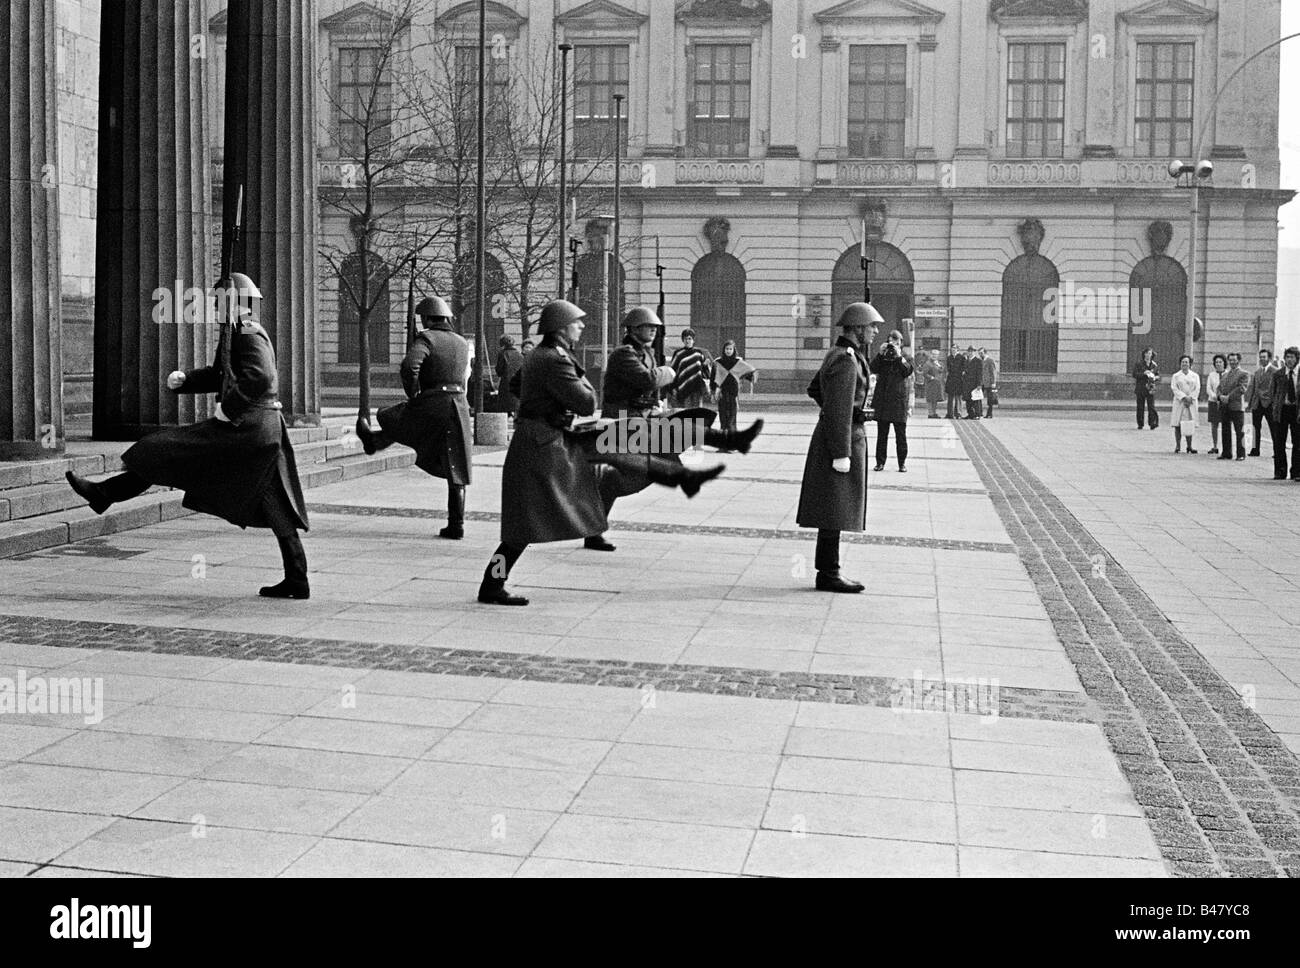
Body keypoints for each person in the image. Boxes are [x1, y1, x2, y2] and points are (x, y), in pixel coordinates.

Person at [66, 273, 311, 598]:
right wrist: (188, 380)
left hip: (246, 427)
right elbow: (222, 375)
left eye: (218, 301)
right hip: (260, 431)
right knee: (275, 503)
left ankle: (104, 493)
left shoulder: (247, 332)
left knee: (161, 448)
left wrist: (231, 409)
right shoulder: (236, 331)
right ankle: (297, 578)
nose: (214, 307)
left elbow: (260, 376)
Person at [477, 300, 725, 606]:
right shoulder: (554, 359)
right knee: (525, 520)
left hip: (541, 437)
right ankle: (492, 585)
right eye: (577, 322)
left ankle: (494, 582)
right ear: (561, 327)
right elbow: (585, 401)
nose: (582, 326)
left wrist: (544, 401)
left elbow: (517, 386)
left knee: (527, 518)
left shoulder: (539, 355)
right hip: (543, 442)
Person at [584, 307, 763, 552]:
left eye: (655, 328)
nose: (653, 331)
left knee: (632, 473)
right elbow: (647, 380)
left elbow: (649, 385)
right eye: (649, 327)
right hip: (622, 421)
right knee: (665, 452)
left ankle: (595, 528)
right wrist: (666, 372)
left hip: (639, 417)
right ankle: (728, 441)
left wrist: (656, 398)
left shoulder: (644, 353)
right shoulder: (624, 355)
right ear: (634, 329)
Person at [356, 295, 472, 539]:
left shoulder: (427, 338)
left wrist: (414, 392)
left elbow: (410, 366)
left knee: (390, 417)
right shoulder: (462, 342)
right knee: (457, 468)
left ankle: (374, 442)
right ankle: (456, 525)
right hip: (458, 406)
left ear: (429, 318)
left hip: (432, 403)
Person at [797, 302, 881, 594]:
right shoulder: (846, 360)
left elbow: (815, 390)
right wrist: (841, 450)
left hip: (837, 435)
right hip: (841, 439)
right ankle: (829, 573)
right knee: (834, 509)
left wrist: (837, 412)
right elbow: (839, 407)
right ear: (858, 328)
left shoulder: (841, 354)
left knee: (833, 509)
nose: (875, 331)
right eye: (871, 326)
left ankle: (828, 571)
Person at [870, 329, 914, 473]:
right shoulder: (883, 357)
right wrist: (880, 353)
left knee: (900, 435)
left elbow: (907, 371)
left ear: (901, 343)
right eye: (890, 341)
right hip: (883, 401)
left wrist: (899, 356)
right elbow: (873, 368)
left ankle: (902, 463)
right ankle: (880, 462)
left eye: (896, 342)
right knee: (882, 435)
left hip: (898, 402)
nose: (892, 344)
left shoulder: (905, 356)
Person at [1269, 346, 1300, 480]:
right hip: (1282, 410)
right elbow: (1272, 393)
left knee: (1298, 443)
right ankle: (1280, 471)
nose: (1289, 360)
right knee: (1279, 442)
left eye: (1292, 357)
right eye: (1287, 357)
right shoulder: (1278, 374)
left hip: (1297, 411)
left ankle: (1296, 471)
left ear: (1297, 359)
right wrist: (1274, 407)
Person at [713, 340, 756, 434]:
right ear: (724, 350)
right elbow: (713, 377)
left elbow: (748, 371)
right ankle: (724, 444)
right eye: (727, 349)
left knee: (732, 420)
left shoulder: (738, 362)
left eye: (730, 349)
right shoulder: (718, 362)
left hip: (733, 394)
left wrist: (752, 376)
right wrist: (713, 390)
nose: (728, 351)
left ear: (733, 350)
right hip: (722, 394)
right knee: (723, 419)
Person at [1246, 348, 1279, 457]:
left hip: (1269, 404)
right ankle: (1255, 450)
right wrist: (1250, 404)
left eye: (1264, 357)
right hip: (1257, 403)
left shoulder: (1275, 371)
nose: (1262, 359)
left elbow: (1277, 389)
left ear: (1269, 358)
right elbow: (1253, 388)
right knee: (1255, 428)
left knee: (1274, 428)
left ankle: (1277, 451)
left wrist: (1274, 402)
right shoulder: (1257, 372)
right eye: (1260, 357)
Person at [669, 329, 714, 409]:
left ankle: (697, 422)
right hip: (683, 388)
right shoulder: (678, 354)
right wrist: (673, 387)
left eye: (689, 338)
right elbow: (673, 372)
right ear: (682, 340)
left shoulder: (698, 353)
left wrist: (705, 365)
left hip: (697, 387)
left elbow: (704, 372)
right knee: (687, 412)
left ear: (693, 340)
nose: (687, 341)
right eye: (685, 338)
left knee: (697, 412)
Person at [1216, 352, 1249, 461]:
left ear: (1239, 361)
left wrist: (1228, 397)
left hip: (1237, 406)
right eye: (1230, 360)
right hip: (1224, 406)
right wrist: (1220, 396)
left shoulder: (1244, 374)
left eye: (1234, 360)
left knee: (1239, 431)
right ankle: (1226, 453)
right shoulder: (1225, 374)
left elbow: (1241, 388)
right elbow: (1219, 387)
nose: (1232, 362)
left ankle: (1241, 454)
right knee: (1225, 430)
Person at [1170, 354, 1201, 454]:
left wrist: (1190, 398)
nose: (1185, 364)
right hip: (1180, 402)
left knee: (1189, 423)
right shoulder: (1176, 376)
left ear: (1190, 364)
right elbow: (1174, 388)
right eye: (1183, 362)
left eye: (1186, 362)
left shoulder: (1195, 376)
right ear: (1180, 364)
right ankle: (1178, 446)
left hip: (1191, 402)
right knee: (1178, 423)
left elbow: (1197, 388)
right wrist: (1183, 397)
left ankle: (1189, 446)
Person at [494, 335, 524, 416]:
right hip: (518, 385)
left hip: (506, 384)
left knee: (504, 408)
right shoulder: (520, 355)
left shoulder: (503, 354)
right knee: (515, 406)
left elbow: (499, 371)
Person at [1133, 347, 1160, 430]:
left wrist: (1155, 377)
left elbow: (1158, 375)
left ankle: (1152, 423)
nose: (1149, 355)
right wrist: (1144, 373)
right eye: (1147, 353)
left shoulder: (1154, 365)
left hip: (1150, 387)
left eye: (1150, 353)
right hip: (1141, 387)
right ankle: (1140, 423)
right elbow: (1134, 374)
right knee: (1140, 406)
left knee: (1151, 406)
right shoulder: (1139, 364)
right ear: (1144, 354)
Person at [1205, 354, 1225, 454]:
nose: (1218, 364)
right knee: (1214, 425)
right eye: (1216, 362)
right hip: (1213, 402)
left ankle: (1226, 446)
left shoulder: (1228, 374)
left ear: (1224, 363)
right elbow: (1208, 389)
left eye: (1220, 362)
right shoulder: (1211, 375)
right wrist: (1215, 397)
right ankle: (1215, 445)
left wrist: (1222, 398)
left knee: (1226, 424)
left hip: (1225, 402)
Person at [962, 346, 984, 419]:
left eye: (972, 351)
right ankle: (970, 414)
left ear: (974, 352)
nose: (970, 353)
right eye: (969, 351)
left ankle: (977, 414)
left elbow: (980, 373)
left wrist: (979, 384)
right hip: (967, 383)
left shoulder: (978, 361)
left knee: (976, 400)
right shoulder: (966, 361)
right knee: (968, 399)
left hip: (974, 383)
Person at [922, 350, 944, 418]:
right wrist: (931, 377)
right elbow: (924, 373)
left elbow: (941, 371)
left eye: (936, 355)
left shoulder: (937, 363)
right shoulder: (927, 363)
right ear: (930, 354)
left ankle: (934, 413)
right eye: (933, 354)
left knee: (935, 399)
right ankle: (930, 413)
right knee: (930, 399)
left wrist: (938, 365)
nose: (935, 356)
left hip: (937, 384)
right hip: (930, 383)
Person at [979, 348, 999, 419]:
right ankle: (980, 412)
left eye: (981, 353)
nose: (980, 355)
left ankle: (989, 413)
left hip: (989, 383)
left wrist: (993, 382)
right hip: (982, 382)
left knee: (990, 399)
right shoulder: (981, 361)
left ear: (985, 353)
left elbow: (993, 372)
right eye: (979, 353)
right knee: (979, 397)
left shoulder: (990, 361)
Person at [944, 347, 964, 419]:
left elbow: (963, 368)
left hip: (958, 380)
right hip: (951, 380)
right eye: (952, 349)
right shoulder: (949, 358)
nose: (953, 350)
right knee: (950, 397)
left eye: (955, 349)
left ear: (957, 350)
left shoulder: (961, 357)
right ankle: (950, 413)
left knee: (958, 397)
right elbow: (948, 368)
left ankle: (958, 413)